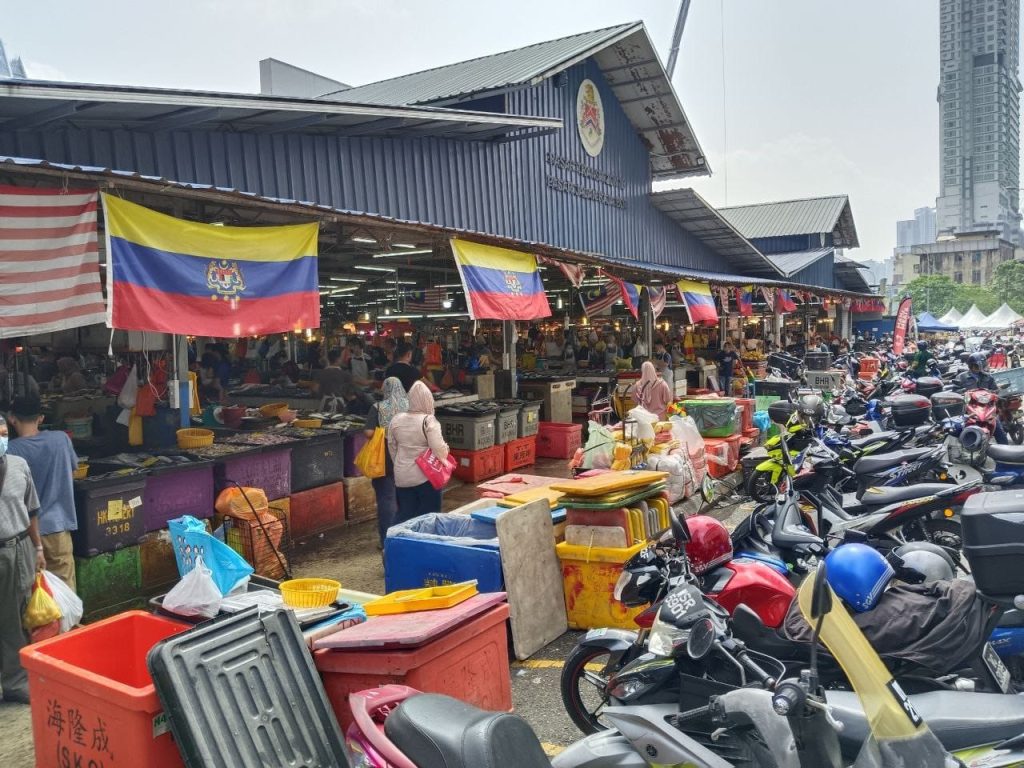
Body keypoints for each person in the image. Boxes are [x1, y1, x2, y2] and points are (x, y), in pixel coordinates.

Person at [6, 396, 78, 591]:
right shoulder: (61, 439)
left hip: (25, 532)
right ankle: (66, 623)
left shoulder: (10, 451)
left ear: (12, 419)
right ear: (41, 418)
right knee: (65, 590)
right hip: (58, 528)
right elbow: (72, 473)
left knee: (34, 591)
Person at [0, 414, 47, 704]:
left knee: (17, 617)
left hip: (17, 549)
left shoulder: (19, 466)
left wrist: (39, 548)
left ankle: (16, 682)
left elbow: (31, 512)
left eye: (3, 431)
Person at [387, 381, 450, 522]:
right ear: (428, 400)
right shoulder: (429, 421)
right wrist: (446, 450)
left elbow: (392, 447)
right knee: (429, 516)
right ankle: (424, 542)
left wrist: (399, 464)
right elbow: (439, 450)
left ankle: (396, 540)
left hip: (402, 476)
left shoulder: (396, 419)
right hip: (426, 477)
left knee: (405, 514)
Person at [364, 377, 408, 547]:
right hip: (407, 456)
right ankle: (406, 536)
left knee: (386, 498)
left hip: (386, 457)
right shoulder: (409, 406)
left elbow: (368, 432)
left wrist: (383, 430)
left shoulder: (378, 407)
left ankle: (387, 541)